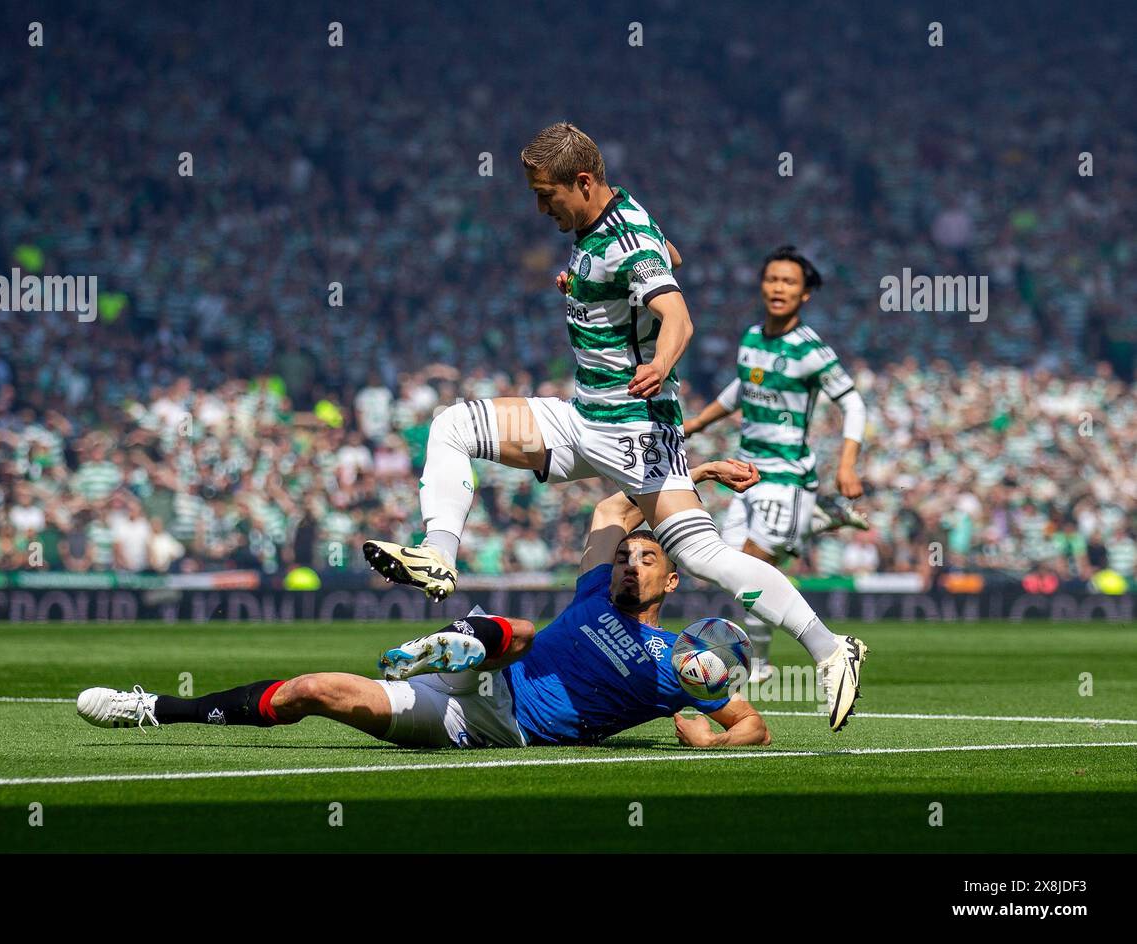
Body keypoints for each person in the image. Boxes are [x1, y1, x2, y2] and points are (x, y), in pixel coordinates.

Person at [361, 122, 867, 729]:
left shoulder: (627, 239)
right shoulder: (611, 222)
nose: (539, 207)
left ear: (581, 181)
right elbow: (668, 256)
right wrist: (591, 286)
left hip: (634, 430)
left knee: (703, 555)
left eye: (546, 194)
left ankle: (829, 648)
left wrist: (661, 359)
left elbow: (675, 311)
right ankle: (438, 556)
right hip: (583, 417)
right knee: (452, 425)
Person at [77, 461, 775, 748]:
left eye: (646, 558)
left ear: (674, 581)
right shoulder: (597, 589)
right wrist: (701, 473)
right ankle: (151, 705)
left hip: (486, 725)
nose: (627, 561)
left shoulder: (676, 660)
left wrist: (710, 740)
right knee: (524, 630)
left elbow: (753, 725)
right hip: (484, 667)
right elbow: (610, 503)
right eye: (625, 554)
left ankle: (442, 641)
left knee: (313, 690)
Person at [683, 246, 869, 680]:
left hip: (785, 476)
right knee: (730, 569)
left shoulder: (811, 350)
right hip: (744, 473)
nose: (778, 288)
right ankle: (816, 520)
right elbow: (741, 390)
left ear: (804, 295)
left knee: (752, 565)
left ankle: (760, 665)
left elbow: (854, 404)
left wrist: (847, 466)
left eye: (789, 282)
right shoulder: (751, 338)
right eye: (772, 279)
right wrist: (697, 423)